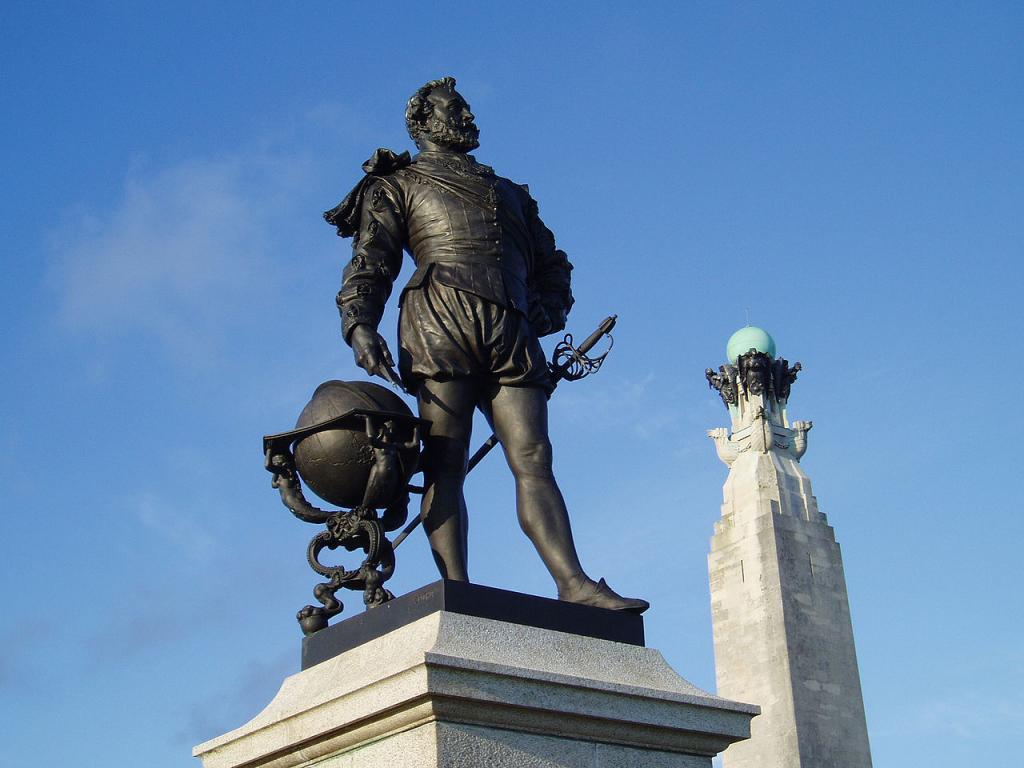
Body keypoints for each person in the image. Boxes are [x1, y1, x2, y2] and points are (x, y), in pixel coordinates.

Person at [325, 77, 647, 612]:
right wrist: (360, 325)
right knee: (444, 463)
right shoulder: (398, 183)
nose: (469, 117)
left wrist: (545, 310)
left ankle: (574, 583)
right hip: (440, 323)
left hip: (512, 330)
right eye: (457, 109)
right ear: (424, 122)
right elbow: (370, 262)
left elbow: (552, 264)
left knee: (534, 456)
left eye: (468, 108)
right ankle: (457, 588)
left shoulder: (512, 193)